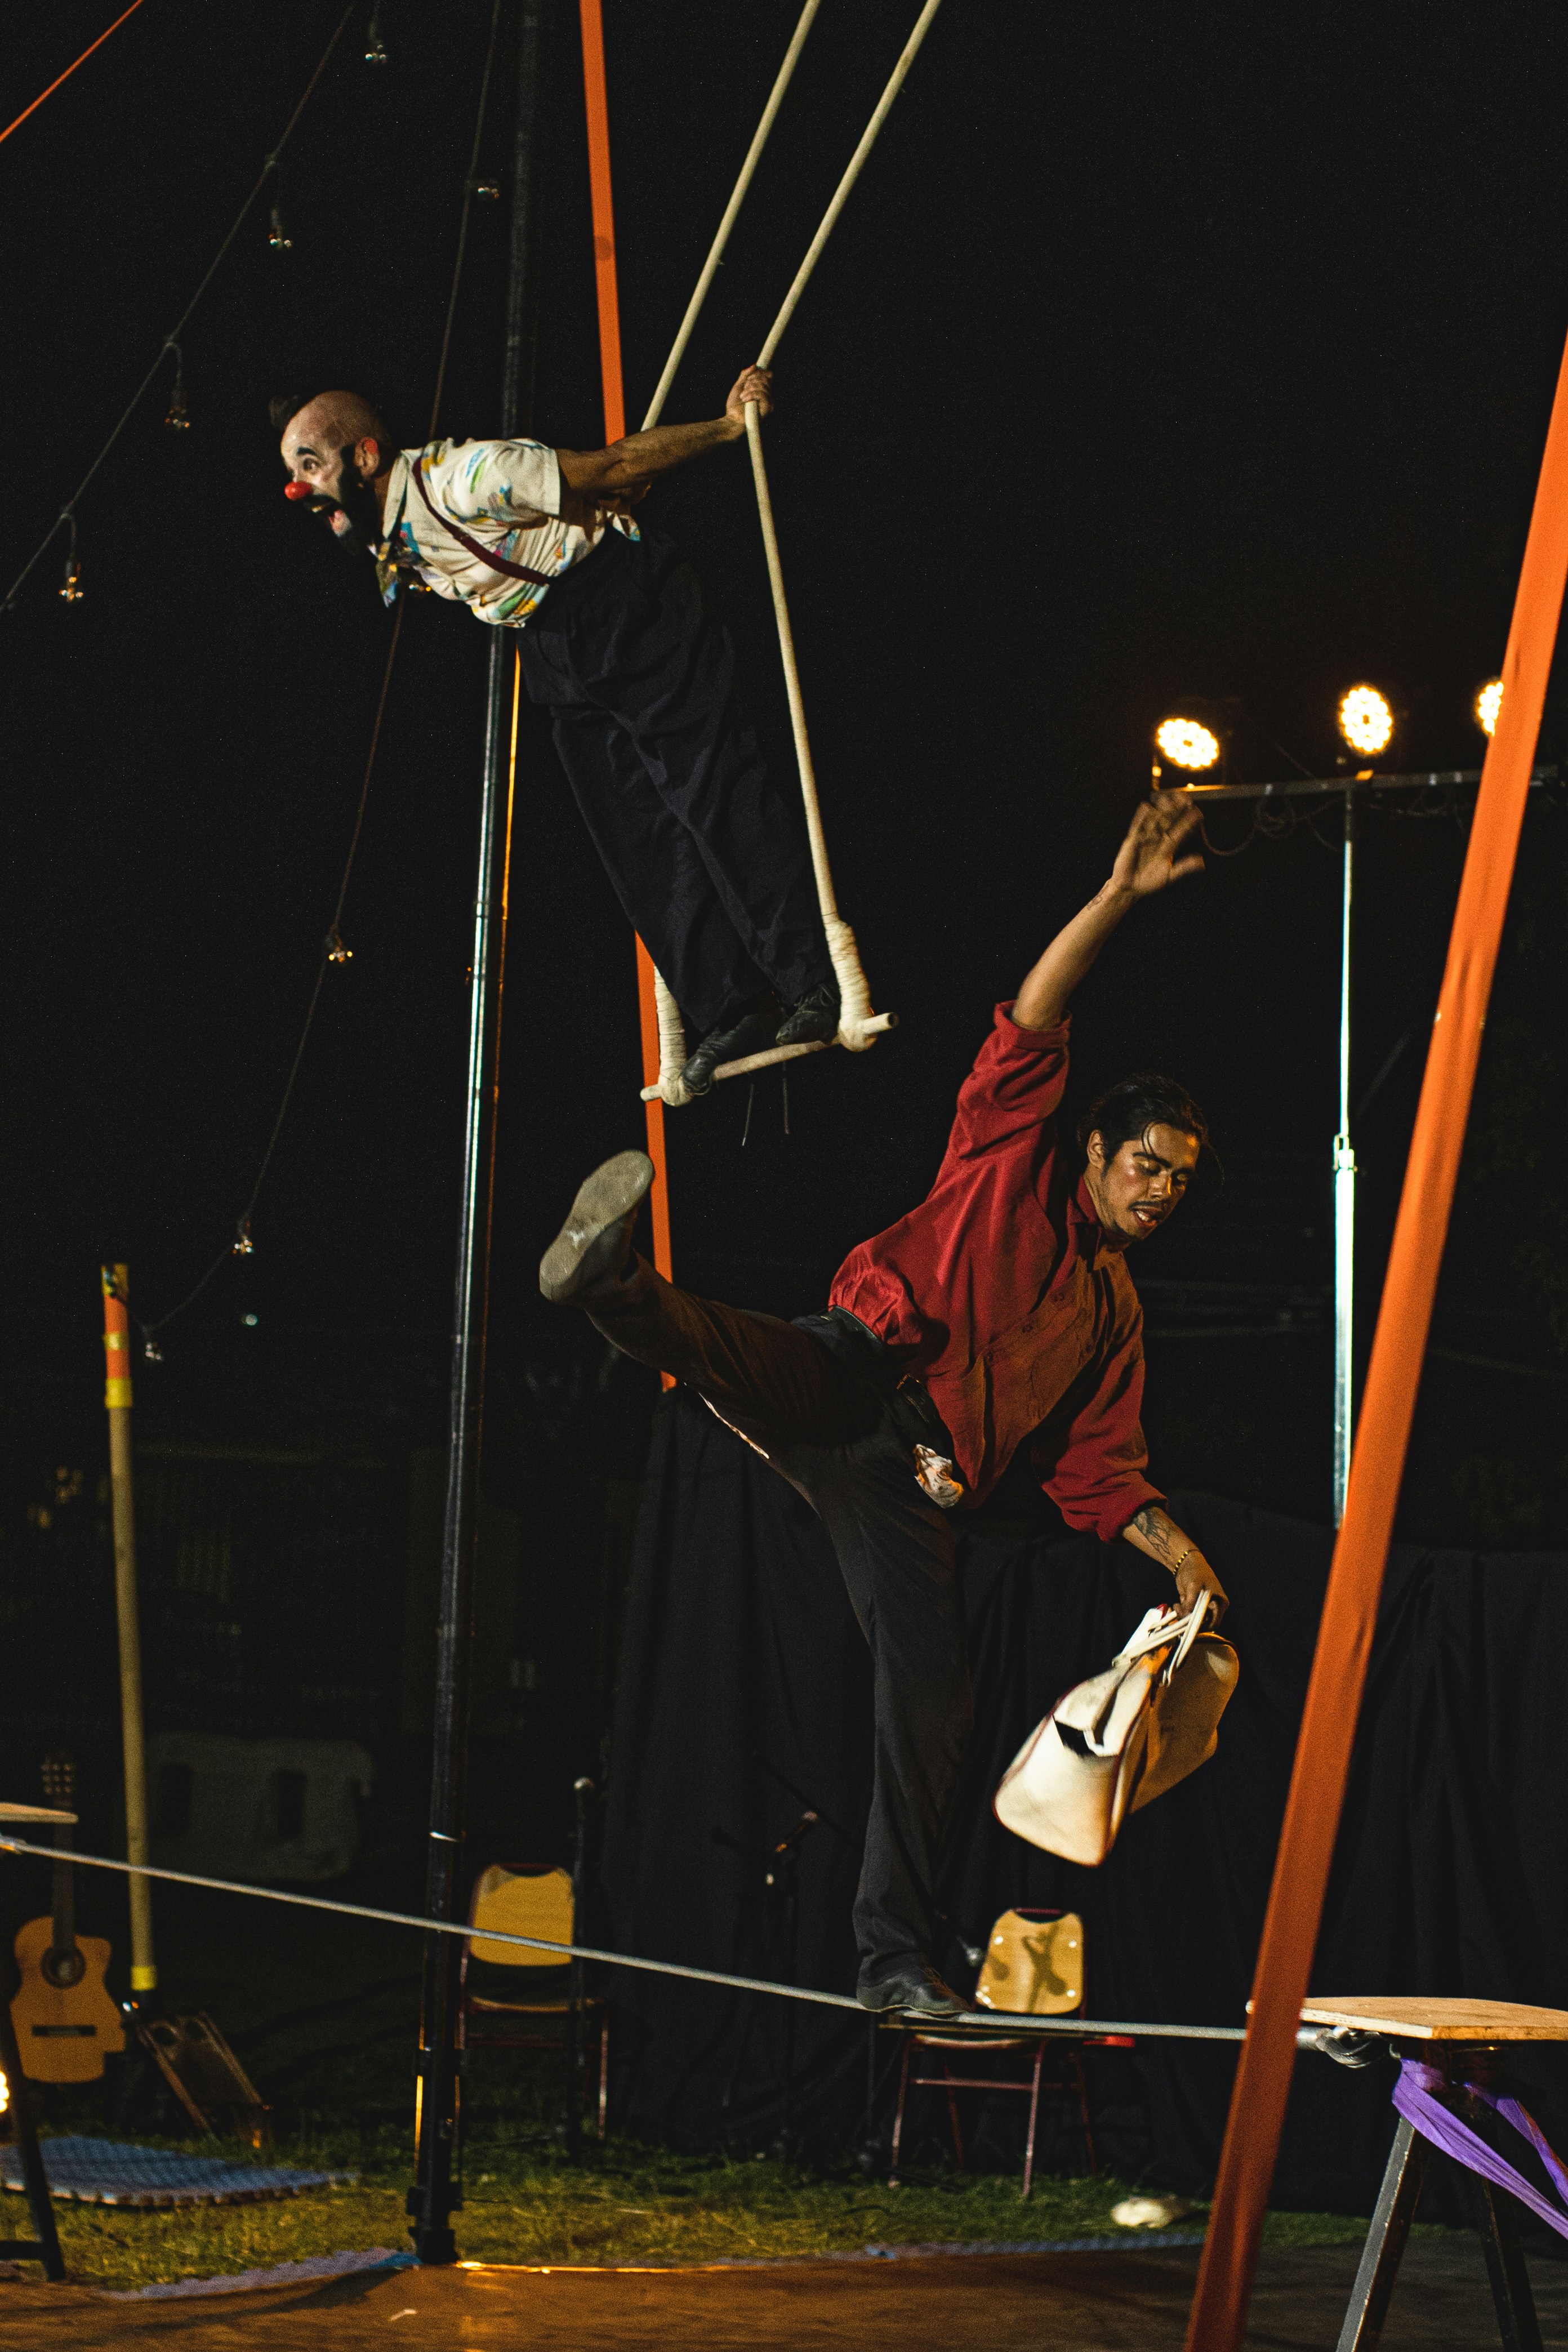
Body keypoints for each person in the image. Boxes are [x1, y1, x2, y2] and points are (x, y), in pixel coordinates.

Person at [538, 791, 1227, 2017]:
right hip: (853, 1368)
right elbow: (1035, 1013)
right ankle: (610, 1283)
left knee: (935, 1701)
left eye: (1180, 1179)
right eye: (1145, 1163)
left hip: (914, 1487)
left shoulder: (1116, 1315)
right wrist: (1120, 895)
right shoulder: (1008, 1153)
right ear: (1093, 1150)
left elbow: (1100, 1474)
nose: (1161, 1191)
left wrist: (1185, 1566)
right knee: (738, 1355)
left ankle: (894, 1962)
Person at [271, 372, 836, 1095]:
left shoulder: (468, 476)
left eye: (310, 464)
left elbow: (613, 466)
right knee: (635, 833)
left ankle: (811, 976)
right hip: (549, 642)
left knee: (708, 786)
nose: (298, 487)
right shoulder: (389, 536)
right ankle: (734, 1006)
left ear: (368, 458)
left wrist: (728, 428)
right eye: (293, 470)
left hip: (622, 598)